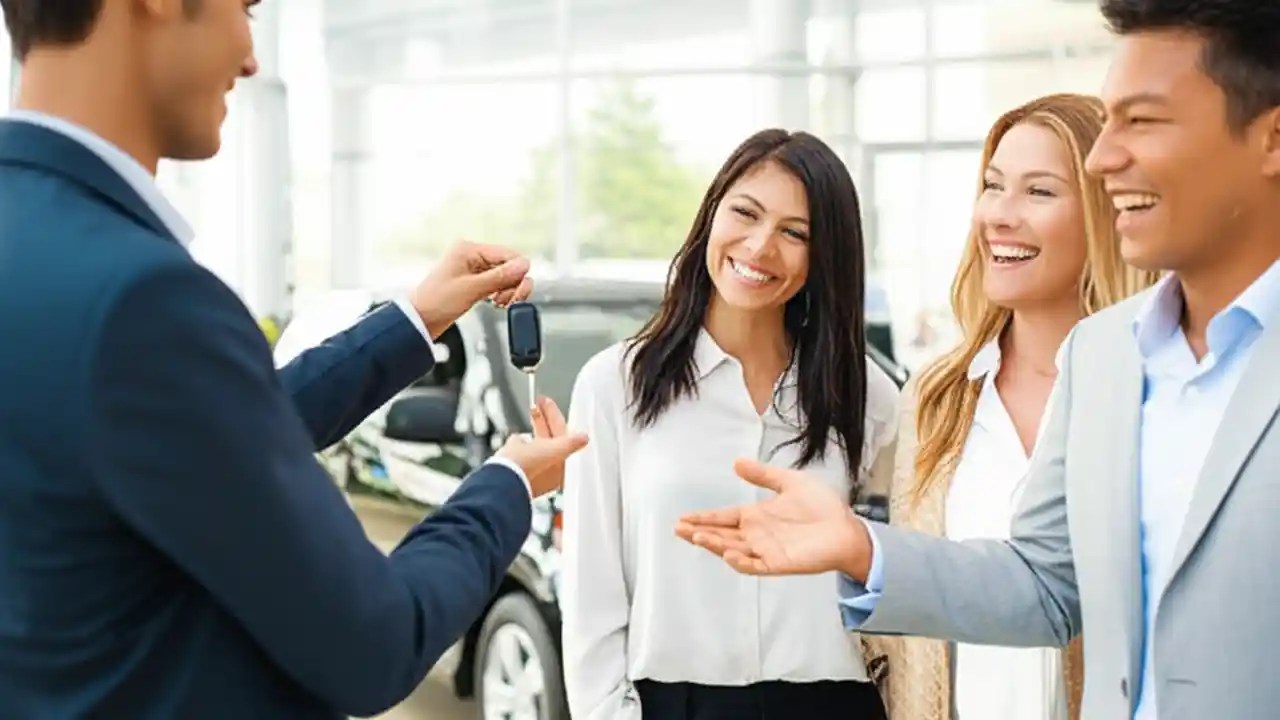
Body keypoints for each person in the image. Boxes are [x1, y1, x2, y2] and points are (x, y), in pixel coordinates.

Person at [676, 2, 1280, 718]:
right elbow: (1048, 586)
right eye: (993, 184)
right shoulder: (1110, 356)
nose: (1104, 158)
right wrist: (865, 549)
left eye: (1144, 121)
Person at [0, 1, 587, 718]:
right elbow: (375, 642)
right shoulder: (145, 294)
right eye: (243, 8)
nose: (251, 57)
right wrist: (509, 485)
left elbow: (212, 437)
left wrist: (416, 317)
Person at [560, 128, 900, 720]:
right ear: (711, 214)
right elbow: (591, 596)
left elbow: (899, 572)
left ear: (825, 258)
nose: (761, 246)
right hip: (676, 702)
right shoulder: (616, 383)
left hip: (835, 702)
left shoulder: (866, 393)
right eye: (746, 212)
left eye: (796, 233)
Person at [861, 93, 1158, 720]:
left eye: (1039, 191)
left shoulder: (1152, 384)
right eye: (993, 186)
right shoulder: (937, 396)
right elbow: (907, 637)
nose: (999, 214)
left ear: (1108, 212)